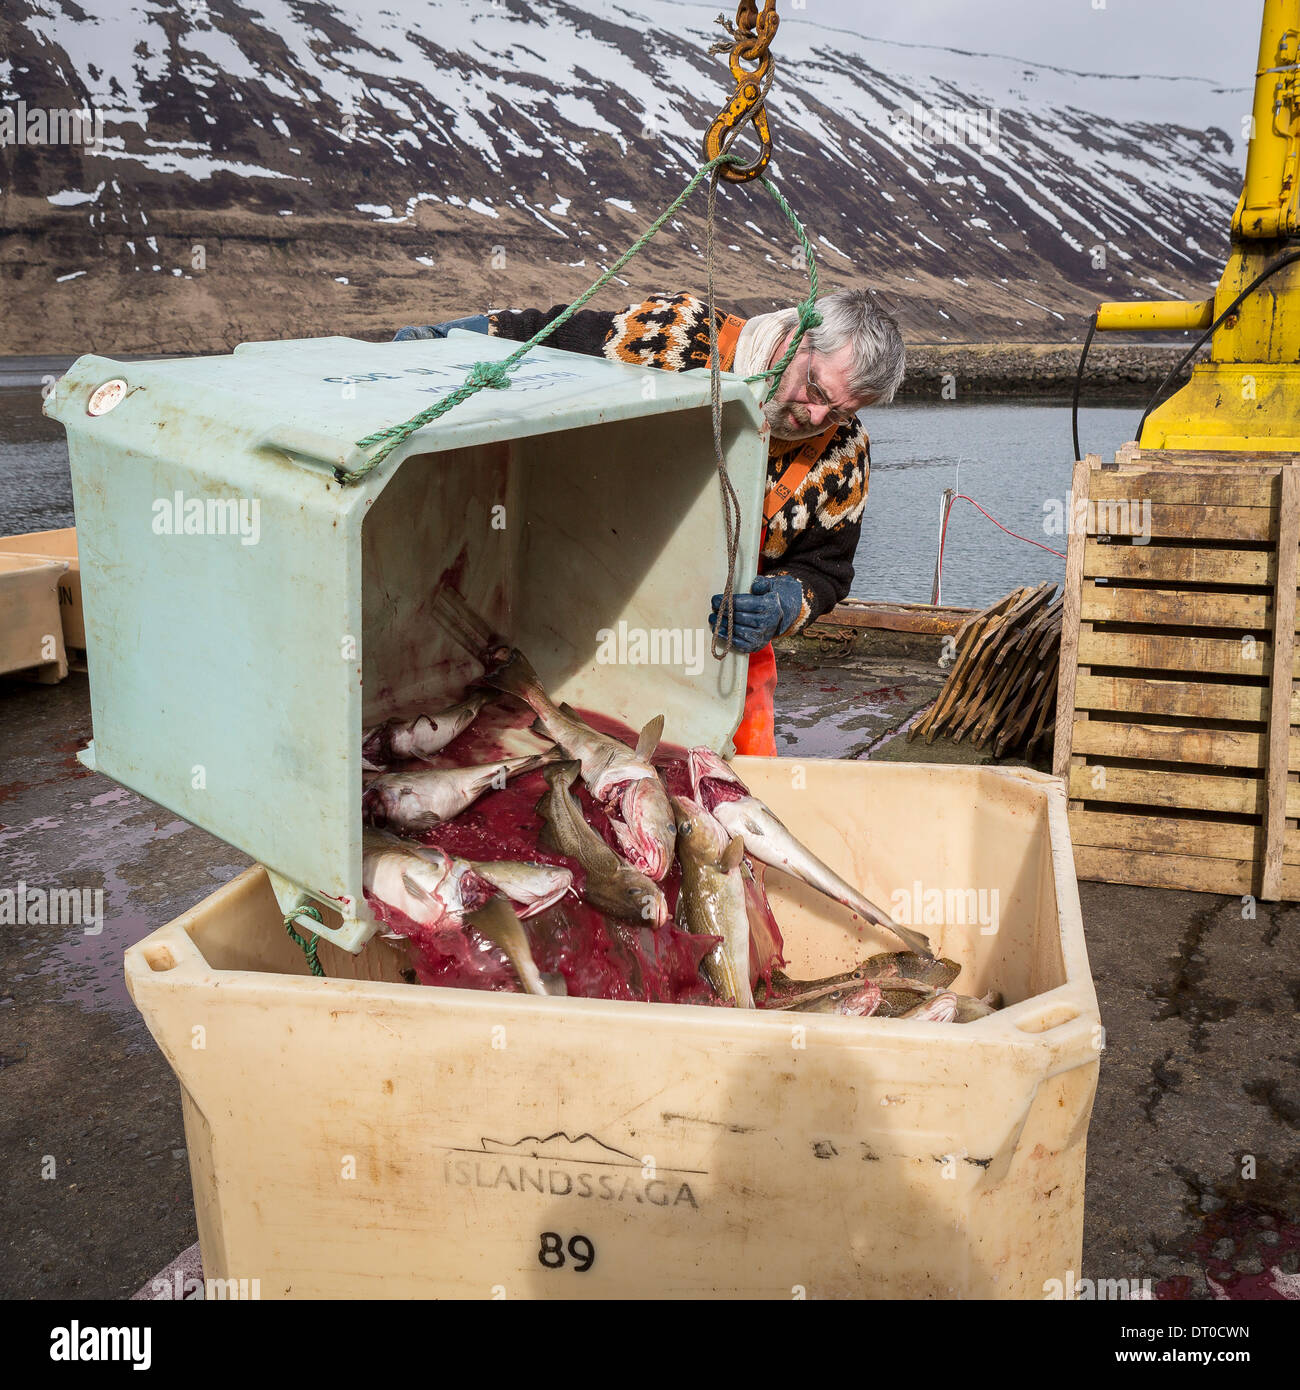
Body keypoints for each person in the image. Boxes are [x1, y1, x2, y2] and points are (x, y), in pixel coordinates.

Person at [394, 289, 905, 755]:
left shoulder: (843, 454)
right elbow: (560, 335)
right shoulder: (677, 335)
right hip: (587, 608)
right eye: (816, 391)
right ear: (800, 335)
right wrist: (455, 339)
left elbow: (827, 570)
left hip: (723, 660)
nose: (816, 419)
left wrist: (785, 602)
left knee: (742, 793)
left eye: (839, 411)